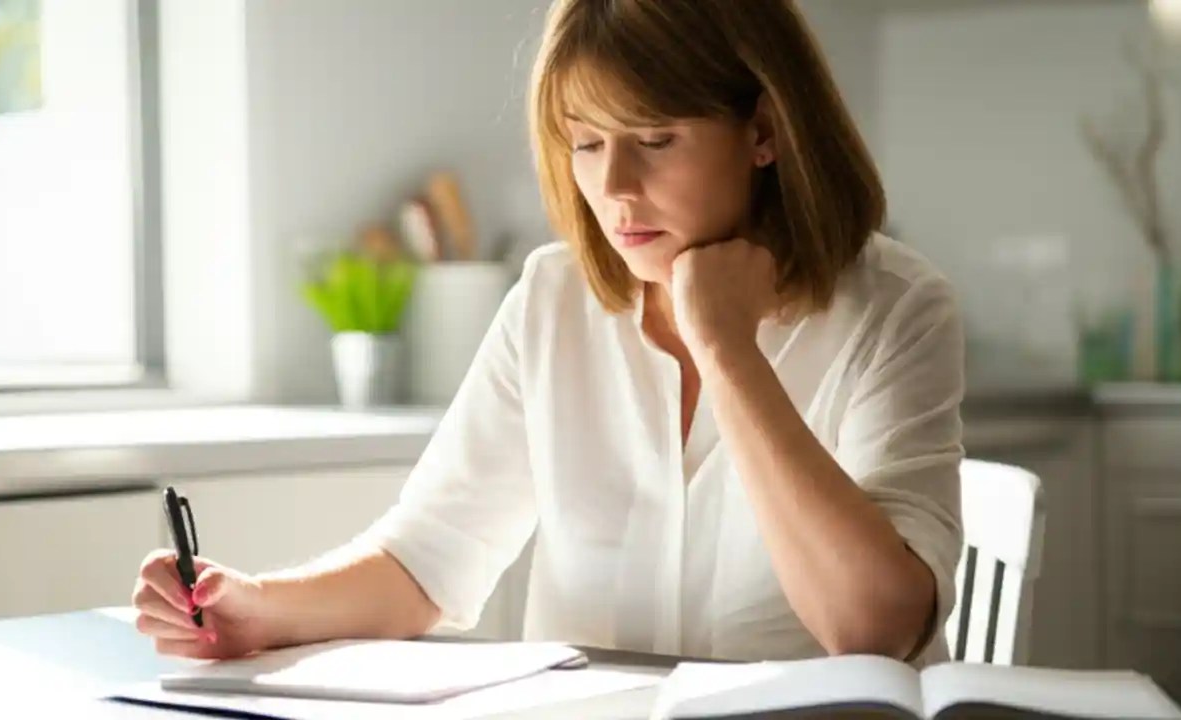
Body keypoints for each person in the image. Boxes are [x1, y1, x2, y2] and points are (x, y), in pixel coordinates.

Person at [132, 0, 964, 666]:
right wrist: (258, 609)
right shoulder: (551, 299)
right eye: (588, 144)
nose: (615, 188)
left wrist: (727, 349)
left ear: (764, 131)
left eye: (655, 139)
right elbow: (428, 559)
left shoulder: (896, 308)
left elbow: (874, 630)